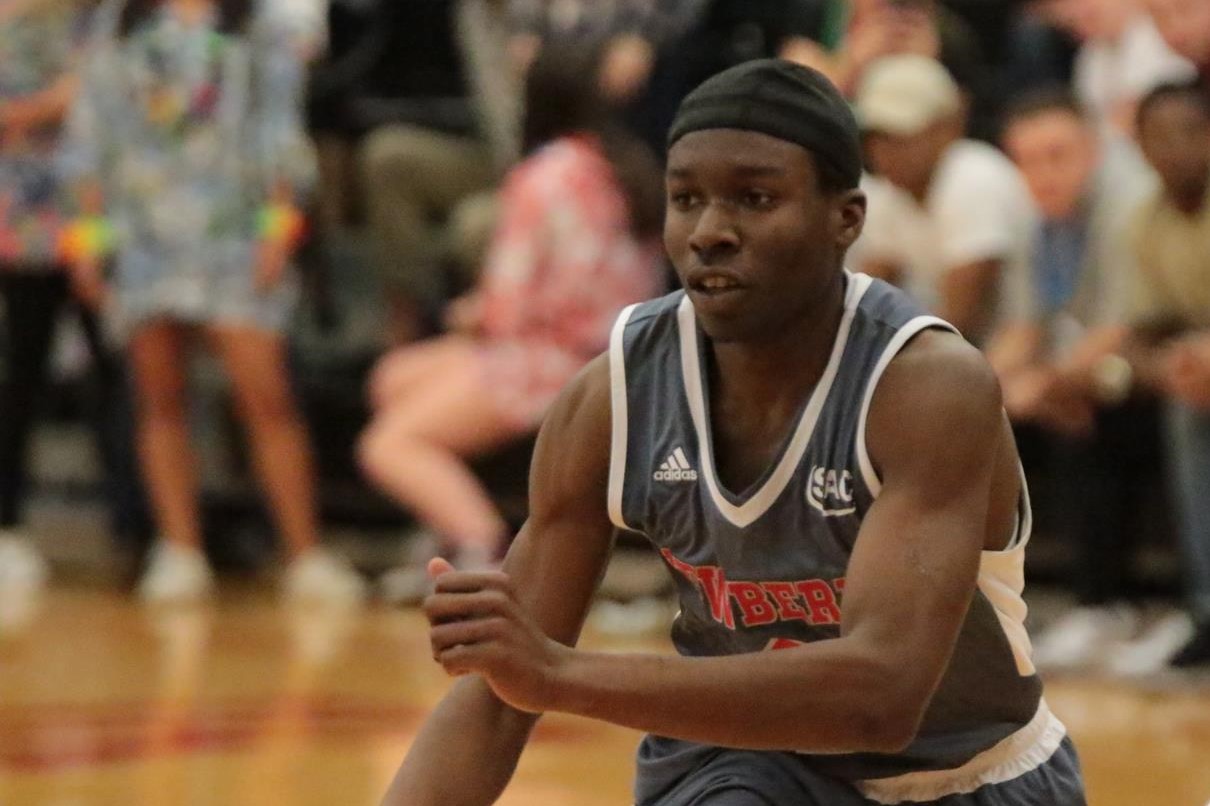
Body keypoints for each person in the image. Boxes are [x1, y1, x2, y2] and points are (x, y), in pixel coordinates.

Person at [381, 60, 1085, 806]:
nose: (710, 232)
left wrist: (556, 674)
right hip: (748, 769)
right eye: (686, 199)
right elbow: (497, 700)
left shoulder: (927, 385)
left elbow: (879, 698)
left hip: (969, 776)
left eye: (755, 199)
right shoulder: (613, 395)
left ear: (846, 219)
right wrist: (522, 668)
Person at [59, 0, 365, 604]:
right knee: (158, 399)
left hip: (233, 235)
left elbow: (282, 135)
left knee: (267, 398)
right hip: (143, 234)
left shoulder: (262, 29)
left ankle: (305, 554)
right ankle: (180, 551)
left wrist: (277, 229)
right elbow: (91, 135)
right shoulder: (116, 26)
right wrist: (88, 241)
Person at [358, 44, 664, 602]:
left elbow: (504, 311)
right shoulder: (631, 168)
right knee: (394, 377)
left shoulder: (542, 177)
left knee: (388, 444)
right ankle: (441, 534)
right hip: (611, 357)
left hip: (550, 362)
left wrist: (464, 314)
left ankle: (483, 551)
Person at [994, 89, 1159, 671]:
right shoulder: (1032, 221)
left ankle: (1105, 605)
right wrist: (982, 387)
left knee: (1085, 409)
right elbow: (1023, 327)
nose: (1042, 174)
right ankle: (981, 600)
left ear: (1094, 152)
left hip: (1149, 367)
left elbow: (1121, 327)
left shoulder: (1126, 205)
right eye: (1026, 161)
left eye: (1057, 155)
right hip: (1088, 369)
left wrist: (1043, 383)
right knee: (992, 415)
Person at [0, 0, 151, 622]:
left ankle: (143, 528)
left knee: (122, 374)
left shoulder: (106, 16)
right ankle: (7, 525)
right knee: (19, 373)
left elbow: (105, 95)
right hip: (19, 220)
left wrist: (37, 109)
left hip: (103, 216)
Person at [1120, 82, 1210, 670]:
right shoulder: (1145, 221)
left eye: (1191, 132)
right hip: (1200, 378)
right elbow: (1138, 336)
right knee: (1183, 408)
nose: (1175, 147)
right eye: (1158, 136)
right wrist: (1170, 369)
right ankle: (1205, 610)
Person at [854, 55, 1037, 346]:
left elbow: (959, 320)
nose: (884, 150)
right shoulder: (886, 192)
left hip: (1013, 345)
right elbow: (864, 298)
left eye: (900, 135)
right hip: (961, 348)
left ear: (945, 128)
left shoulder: (975, 177)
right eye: (876, 137)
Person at [1037, 0, 1194, 139]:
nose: (1076, 14)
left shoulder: (1154, 34)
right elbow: (1089, 118)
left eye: (1090, 12)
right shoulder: (1091, 55)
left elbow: (1142, 111)